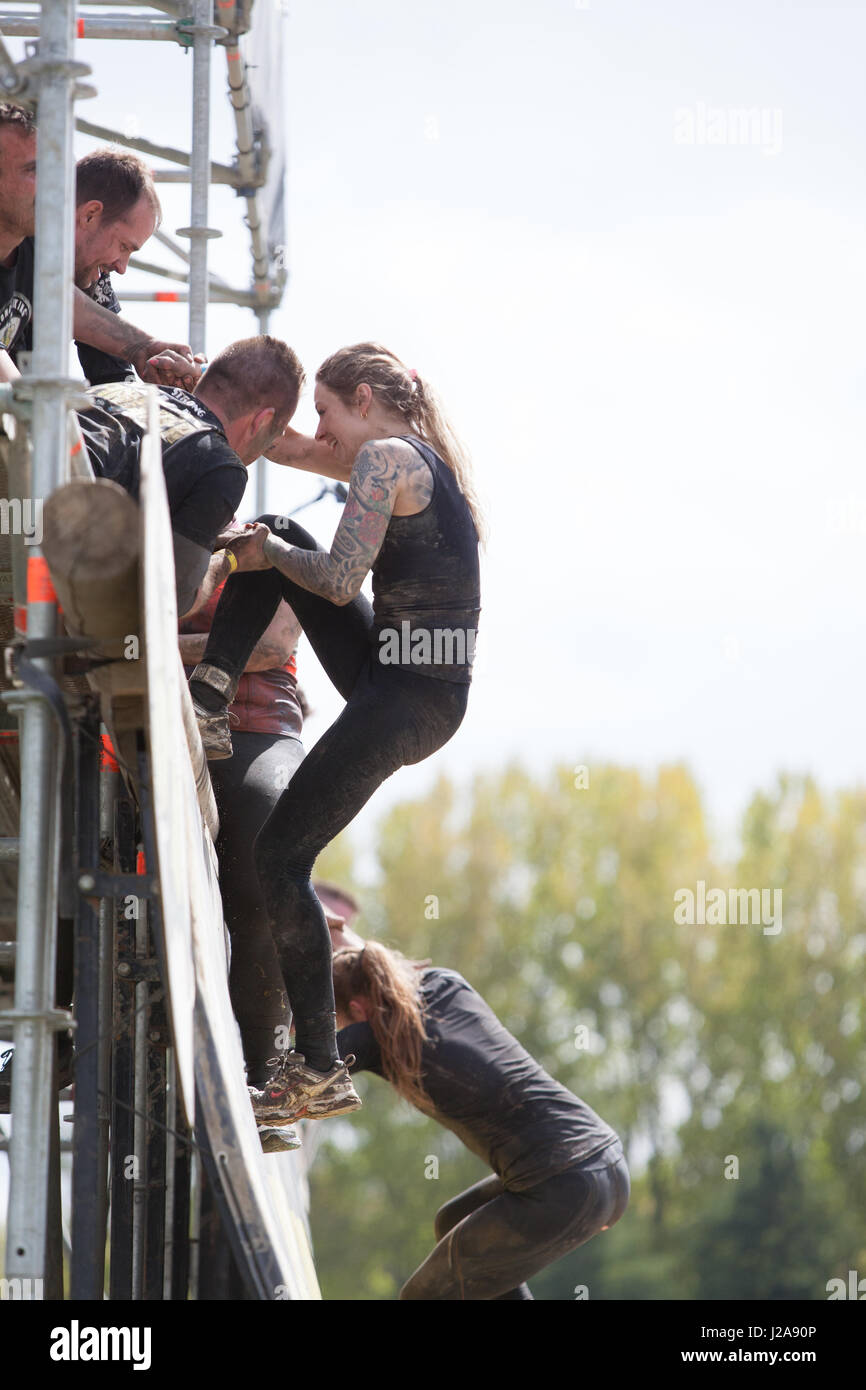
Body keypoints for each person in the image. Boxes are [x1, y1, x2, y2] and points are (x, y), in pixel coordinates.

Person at [188, 343, 483, 1126]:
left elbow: (340, 581)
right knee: (281, 521)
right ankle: (213, 695)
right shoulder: (400, 458)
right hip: (395, 673)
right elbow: (284, 445)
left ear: (360, 398)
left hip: (408, 698)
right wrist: (204, 391)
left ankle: (316, 1067)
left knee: (278, 859)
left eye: (325, 413)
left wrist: (266, 554)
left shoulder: (387, 459)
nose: (320, 434)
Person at [330, 930, 630, 1301]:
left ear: (358, 1010)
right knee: (454, 1221)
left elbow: (299, 1066)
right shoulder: (445, 982)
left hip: (563, 1184)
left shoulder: (369, 1038)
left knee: (423, 1297)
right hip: (604, 1163)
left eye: (342, 1021)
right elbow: (382, 966)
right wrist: (336, 937)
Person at [76, 335, 305, 617]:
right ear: (262, 421)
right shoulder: (224, 465)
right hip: (41, 538)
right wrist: (233, 559)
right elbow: (167, 601)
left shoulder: (123, 391)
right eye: (275, 434)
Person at [0, 103, 198, 389]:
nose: (52, 187)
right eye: (33, 170)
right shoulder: (31, 239)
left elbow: (66, 302)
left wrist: (145, 349)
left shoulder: (37, 257)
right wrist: (40, 421)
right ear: (90, 214)